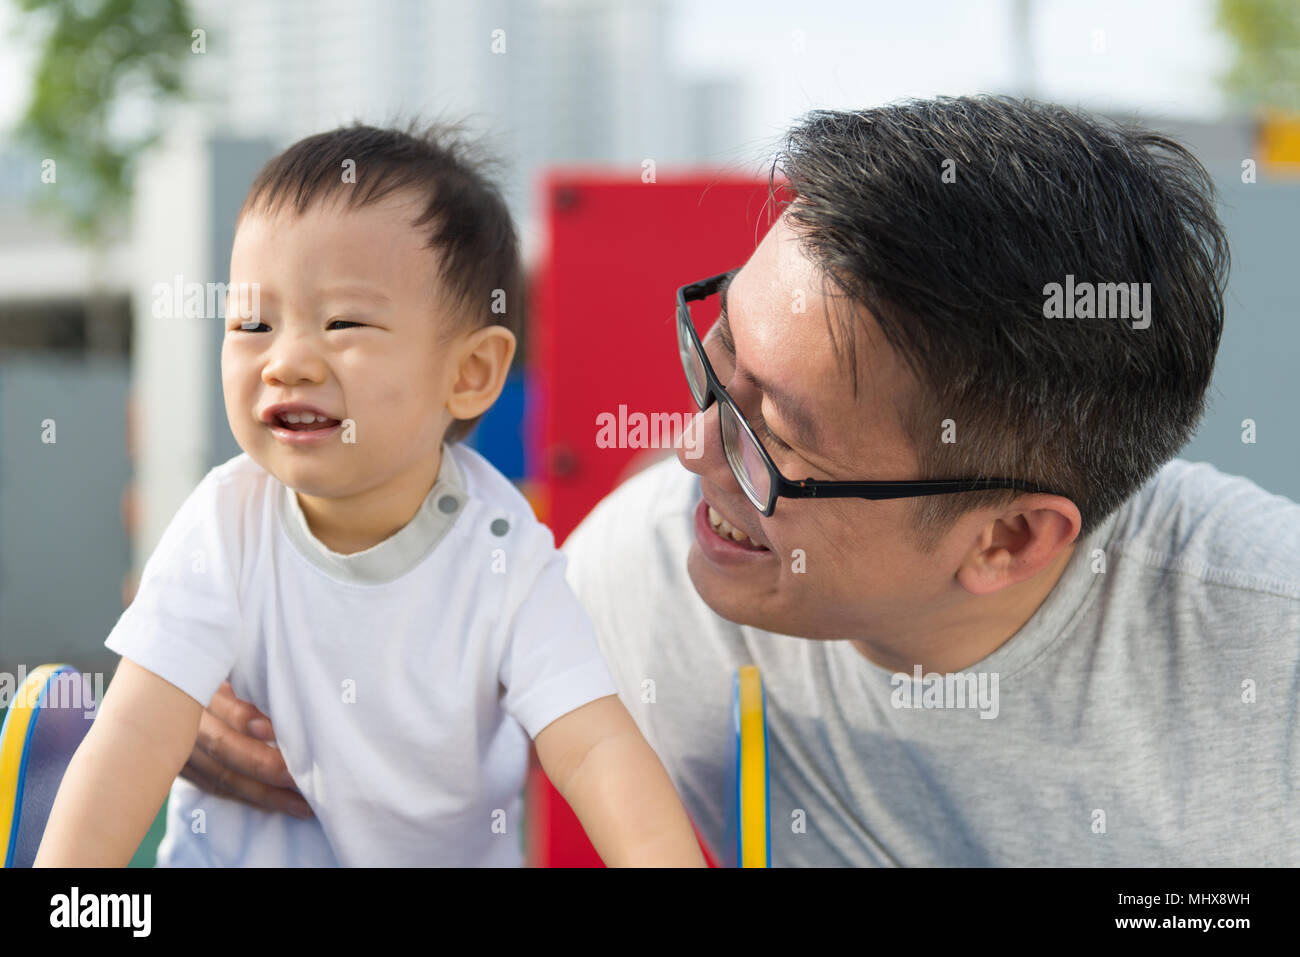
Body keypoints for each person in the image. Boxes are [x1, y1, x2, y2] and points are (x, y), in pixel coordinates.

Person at [178, 97, 1300, 866]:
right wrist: (222, 672)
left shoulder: (1267, 660)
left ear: (1007, 540)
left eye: (774, 439)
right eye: (712, 368)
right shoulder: (640, 573)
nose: (691, 453)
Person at [34, 123, 705, 867]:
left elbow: (595, 748)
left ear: (471, 372)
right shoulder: (226, 524)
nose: (286, 361)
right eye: (252, 322)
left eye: (342, 322)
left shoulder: (504, 554)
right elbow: (134, 733)